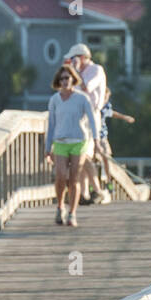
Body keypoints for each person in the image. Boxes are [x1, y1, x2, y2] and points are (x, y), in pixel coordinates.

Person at [45, 64, 97, 227]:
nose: (65, 81)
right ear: (58, 81)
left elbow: (92, 120)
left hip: (79, 142)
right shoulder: (54, 100)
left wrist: (95, 141)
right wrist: (48, 148)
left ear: (73, 79)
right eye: (62, 78)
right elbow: (51, 124)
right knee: (61, 176)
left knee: (74, 178)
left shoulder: (82, 98)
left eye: (67, 78)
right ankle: (60, 206)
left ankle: (72, 213)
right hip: (60, 142)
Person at [64, 44, 110, 205]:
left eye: (73, 58)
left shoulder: (96, 70)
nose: (70, 61)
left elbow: (85, 87)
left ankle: (97, 191)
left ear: (82, 57)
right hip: (78, 117)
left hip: (90, 118)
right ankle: (83, 193)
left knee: (84, 154)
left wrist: (75, 71)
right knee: (79, 156)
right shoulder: (77, 73)